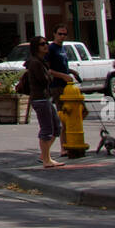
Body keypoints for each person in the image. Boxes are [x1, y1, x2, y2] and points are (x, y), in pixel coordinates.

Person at [25, 35, 76, 170]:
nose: (46, 45)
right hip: (39, 99)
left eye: (46, 43)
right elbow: (44, 80)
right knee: (47, 129)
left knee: (56, 127)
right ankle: (46, 159)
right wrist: (50, 75)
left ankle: (45, 155)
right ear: (36, 48)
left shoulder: (41, 61)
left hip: (45, 98)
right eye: (42, 44)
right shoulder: (35, 63)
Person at [47, 23, 82, 158]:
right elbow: (48, 70)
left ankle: (73, 139)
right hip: (57, 86)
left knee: (79, 112)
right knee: (64, 116)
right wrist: (63, 76)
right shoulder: (51, 49)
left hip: (68, 86)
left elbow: (62, 67)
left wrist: (72, 72)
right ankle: (63, 147)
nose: (62, 36)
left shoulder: (62, 49)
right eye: (59, 34)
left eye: (64, 34)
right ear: (54, 34)